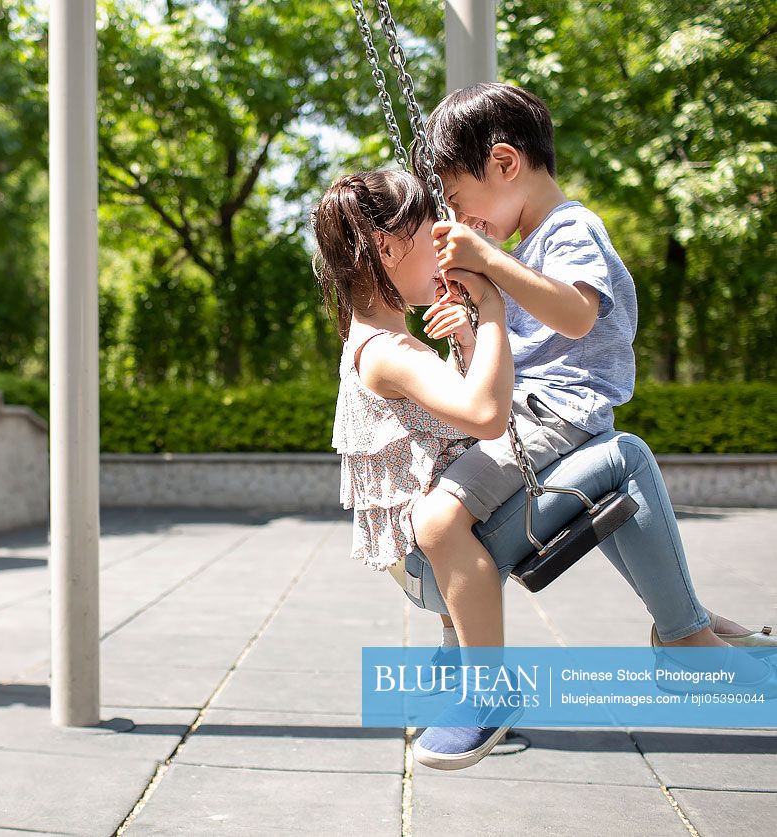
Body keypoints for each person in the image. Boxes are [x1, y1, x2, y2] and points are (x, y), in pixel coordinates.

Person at [313, 169, 774, 772]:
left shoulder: (373, 343)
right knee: (623, 456)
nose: (445, 250)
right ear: (385, 246)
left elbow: (467, 417)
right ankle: (672, 639)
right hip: (441, 560)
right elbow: (486, 416)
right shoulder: (390, 354)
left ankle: (685, 626)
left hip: (433, 558)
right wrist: (495, 309)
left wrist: (475, 340)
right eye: (432, 235)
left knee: (587, 471)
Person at [409, 82, 772, 653]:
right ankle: (696, 624)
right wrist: (472, 326)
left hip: (556, 411)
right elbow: (504, 369)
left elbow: (577, 315)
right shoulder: (525, 250)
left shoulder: (570, 229)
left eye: (457, 199)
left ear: (504, 162)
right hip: (537, 410)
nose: (458, 218)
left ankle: (680, 636)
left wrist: (491, 264)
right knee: (612, 516)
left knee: (446, 514)